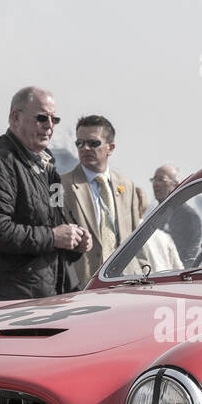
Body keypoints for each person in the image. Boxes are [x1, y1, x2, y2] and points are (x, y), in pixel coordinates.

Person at [0, 86, 91, 302]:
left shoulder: (49, 168)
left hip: (43, 300)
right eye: (42, 118)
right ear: (15, 118)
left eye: (54, 120)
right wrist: (53, 237)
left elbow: (56, 225)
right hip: (7, 306)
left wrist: (75, 242)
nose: (49, 127)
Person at [61, 115, 145, 287]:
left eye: (93, 143)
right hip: (82, 287)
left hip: (125, 284)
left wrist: (142, 275)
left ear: (110, 148)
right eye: (79, 143)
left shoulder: (126, 186)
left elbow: (138, 240)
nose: (84, 148)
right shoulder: (62, 185)